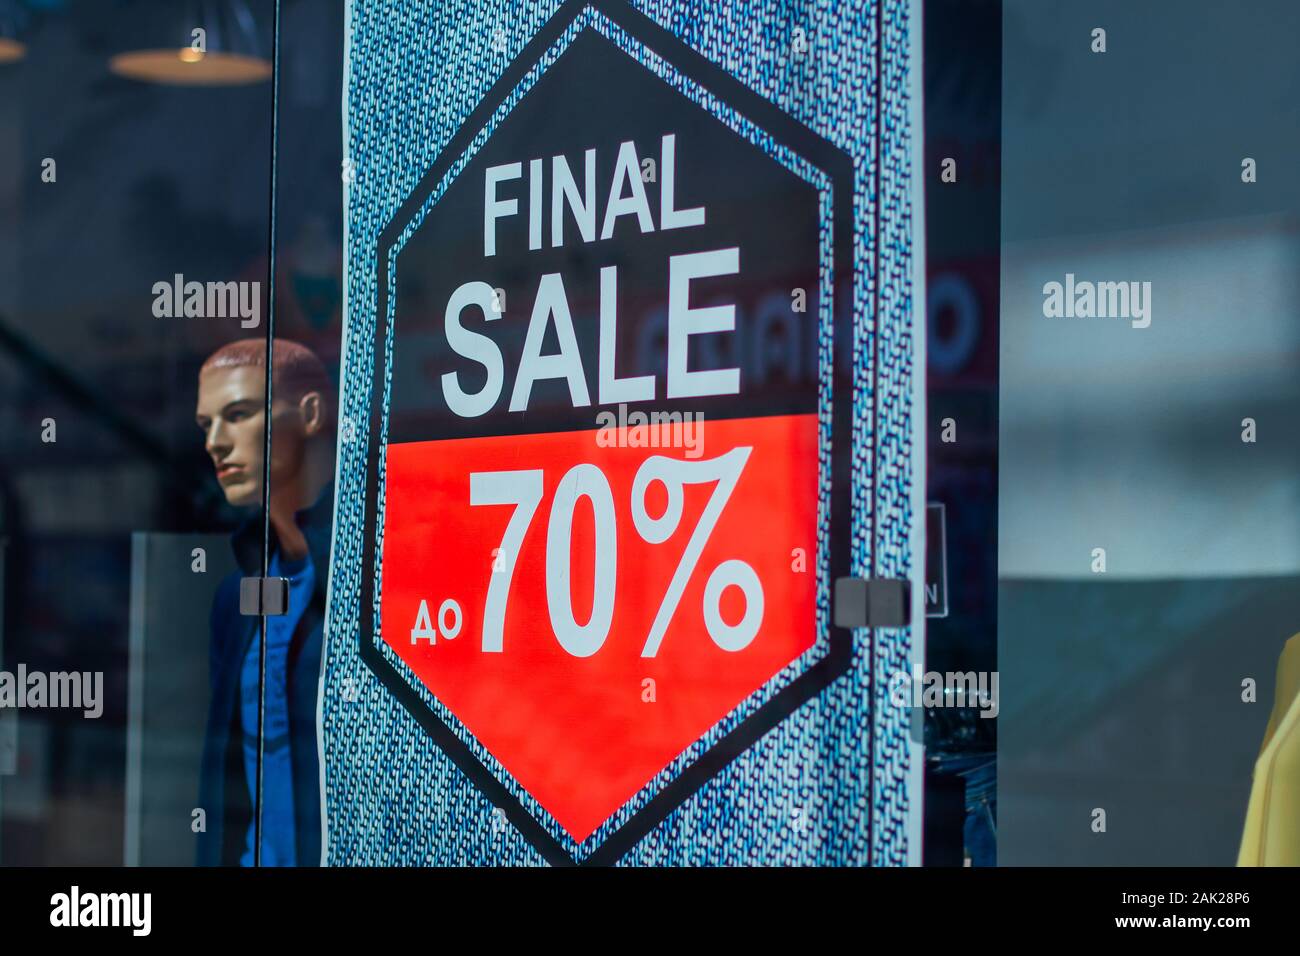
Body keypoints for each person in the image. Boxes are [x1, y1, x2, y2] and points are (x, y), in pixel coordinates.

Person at [194, 338, 334, 866]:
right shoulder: (237, 598)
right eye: (206, 425)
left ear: (311, 413)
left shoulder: (373, 586)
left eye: (238, 415)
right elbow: (225, 781)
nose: (216, 443)